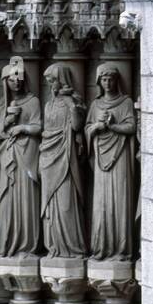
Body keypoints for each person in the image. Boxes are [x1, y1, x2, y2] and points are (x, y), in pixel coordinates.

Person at [85, 64, 138, 261]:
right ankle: (102, 248)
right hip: (100, 160)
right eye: (104, 80)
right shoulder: (95, 105)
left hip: (121, 158)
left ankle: (122, 249)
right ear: (99, 82)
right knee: (101, 204)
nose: (107, 83)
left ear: (117, 81)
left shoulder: (125, 102)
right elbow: (87, 129)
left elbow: (132, 127)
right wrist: (96, 127)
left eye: (111, 79)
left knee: (120, 201)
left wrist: (113, 125)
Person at [0, 58, 42, 257]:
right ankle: (10, 243)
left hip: (28, 155)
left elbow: (39, 127)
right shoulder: (3, 104)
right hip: (8, 156)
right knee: (8, 201)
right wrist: (8, 121)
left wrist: (22, 127)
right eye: (12, 80)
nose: (17, 83)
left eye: (20, 78)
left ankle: (28, 246)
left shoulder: (33, 101)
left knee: (28, 199)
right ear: (5, 81)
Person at [39, 63, 87, 257]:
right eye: (48, 81)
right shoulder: (48, 104)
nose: (50, 84)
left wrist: (71, 104)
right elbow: (46, 130)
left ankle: (72, 247)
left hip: (66, 157)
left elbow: (77, 126)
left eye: (52, 80)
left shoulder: (74, 102)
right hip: (47, 157)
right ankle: (55, 246)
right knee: (50, 204)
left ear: (61, 80)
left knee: (66, 203)